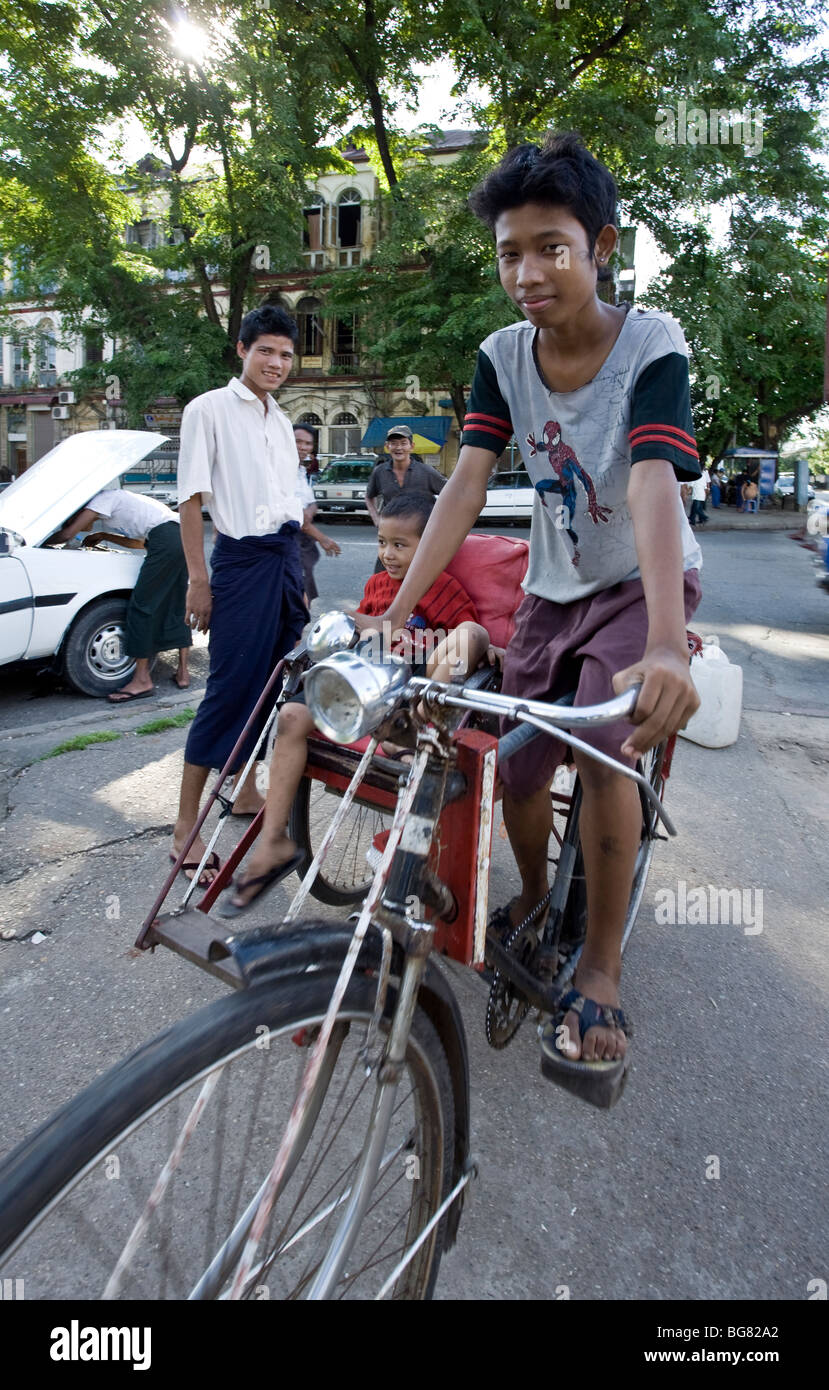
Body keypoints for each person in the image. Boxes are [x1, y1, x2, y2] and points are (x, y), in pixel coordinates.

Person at [354, 132, 702, 1098]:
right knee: (510, 760)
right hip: (553, 589)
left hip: (639, 587)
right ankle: (538, 898)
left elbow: (648, 483)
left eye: (552, 246)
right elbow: (464, 486)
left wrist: (669, 642)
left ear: (602, 245)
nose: (528, 271)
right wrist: (401, 609)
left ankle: (598, 968)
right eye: (511, 252)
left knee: (600, 748)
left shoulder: (651, 345)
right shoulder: (500, 357)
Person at [221, 493, 491, 914]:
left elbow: (464, 644)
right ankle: (273, 839)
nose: (387, 554)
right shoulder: (376, 586)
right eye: (382, 542)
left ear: (431, 548)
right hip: (366, 694)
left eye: (400, 545)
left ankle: (414, 732)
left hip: (415, 696)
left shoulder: (444, 589)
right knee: (291, 714)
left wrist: (448, 647)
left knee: (471, 632)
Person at [171, 303, 309, 886]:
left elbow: (290, 500)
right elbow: (191, 501)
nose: (276, 362)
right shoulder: (208, 410)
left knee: (279, 681)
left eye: (284, 353)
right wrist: (199, 579)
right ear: (243, 351)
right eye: (265, 351)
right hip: (240, 563)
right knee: (229, 687)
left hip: (284, 561)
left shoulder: (281, 421)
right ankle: (183, 828)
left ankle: (249, 786)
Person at [47, 489, 191, 698]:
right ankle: (183, 673)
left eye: (70, 520)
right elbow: (140, 542)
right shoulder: (118, 502)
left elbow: (68, 535)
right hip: (181, 536)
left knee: (142, 606)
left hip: (168, 539)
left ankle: (142, 680)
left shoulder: (101, 500)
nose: (75, 525)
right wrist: (105, 536)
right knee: (175, 603)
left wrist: (43, 542)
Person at [294, 422, 341, 602]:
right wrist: (323, 539)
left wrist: (309, 510)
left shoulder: (300, 470)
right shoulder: (279, 471)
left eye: (308, 443)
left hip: (304, 543)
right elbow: (296, 517)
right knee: (299, 599)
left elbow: (312, 503)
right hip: (289, 543)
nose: (303, 447)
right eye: (298, 441)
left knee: (304, 596)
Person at [364, 426, 446, 526]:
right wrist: (376, 519)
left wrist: (439, 520)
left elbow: (450, 493)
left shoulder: (427, 472)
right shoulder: (380, 471)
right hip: (391, 530)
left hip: (420, 533)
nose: (398, 448)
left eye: (403, 443)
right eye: (393, 443)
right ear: (387, 446)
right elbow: (369, 496)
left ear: (412, 446)